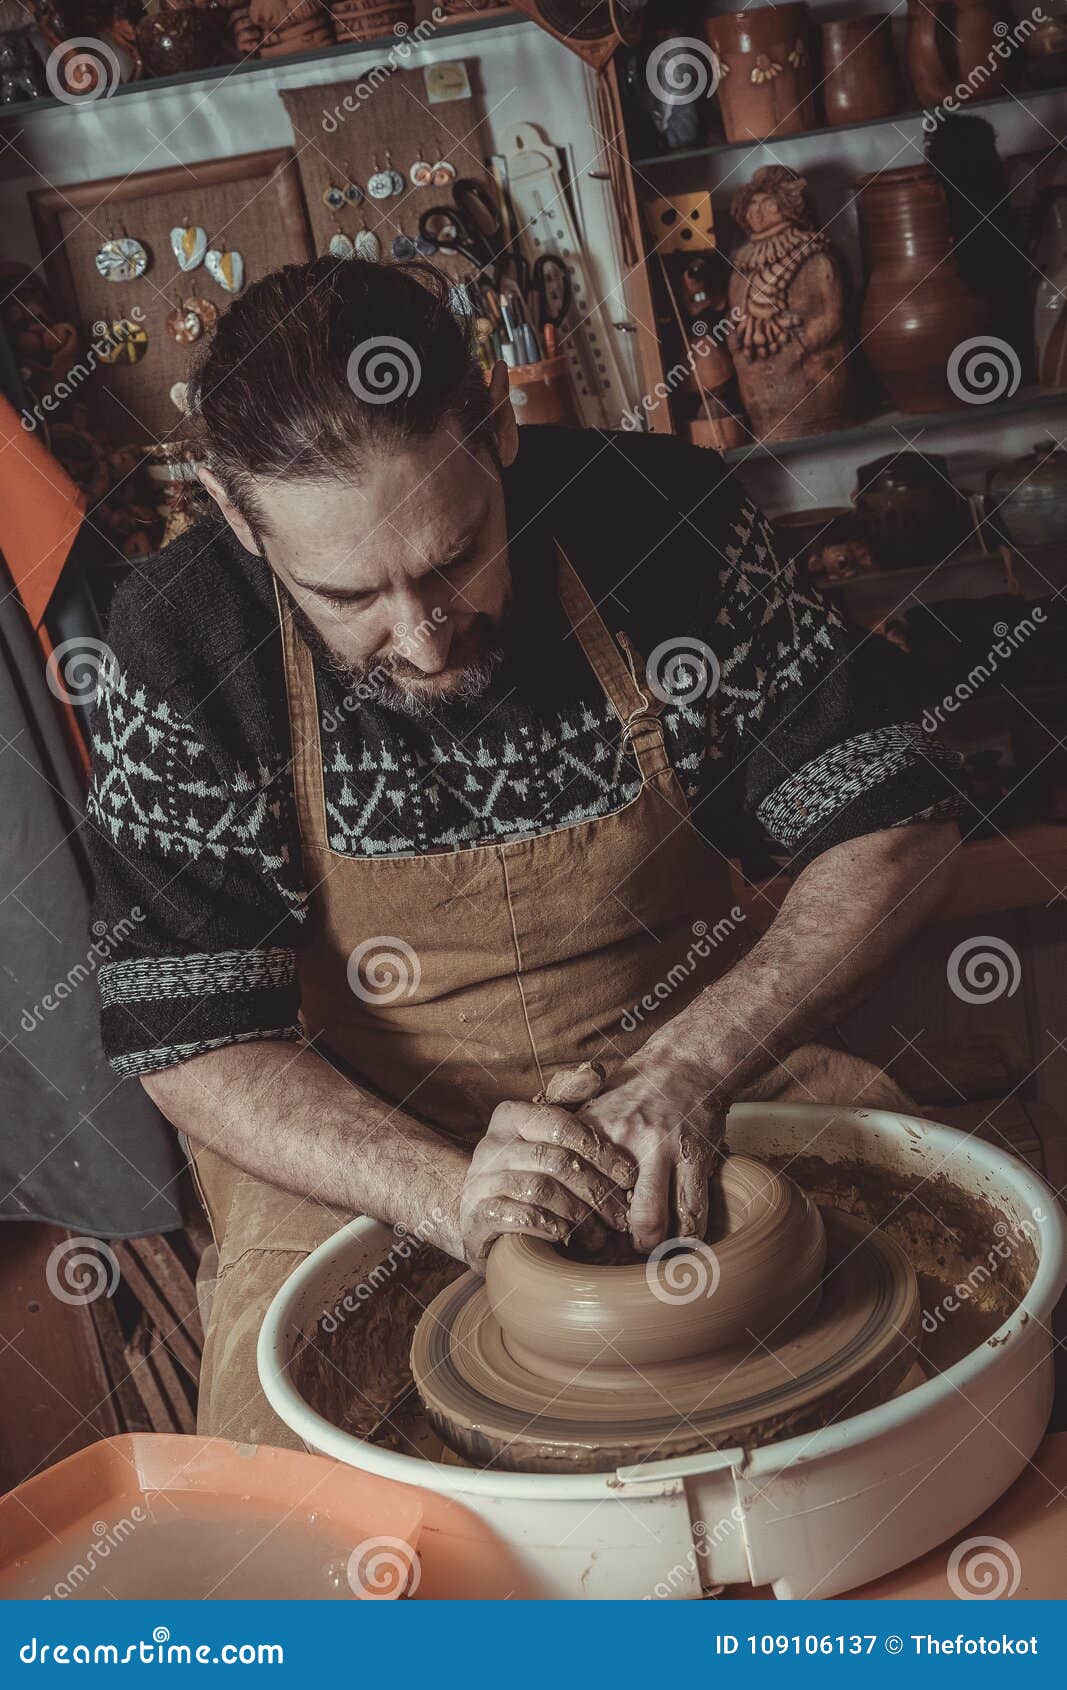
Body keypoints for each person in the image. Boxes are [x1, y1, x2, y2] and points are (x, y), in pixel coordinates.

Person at [86, 257, 962, 1444]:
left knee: (944, 1335)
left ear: (496, 426)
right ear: (239, 518)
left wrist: (695, 1060)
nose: (423, 639)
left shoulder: (662, 518)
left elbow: (894, 826)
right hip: (368, 1136)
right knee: (286, 1498)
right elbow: (187, 1036)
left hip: (689, 1068)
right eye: (349, 596)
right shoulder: (180, 636)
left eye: (453, 559)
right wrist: (451, 1195)